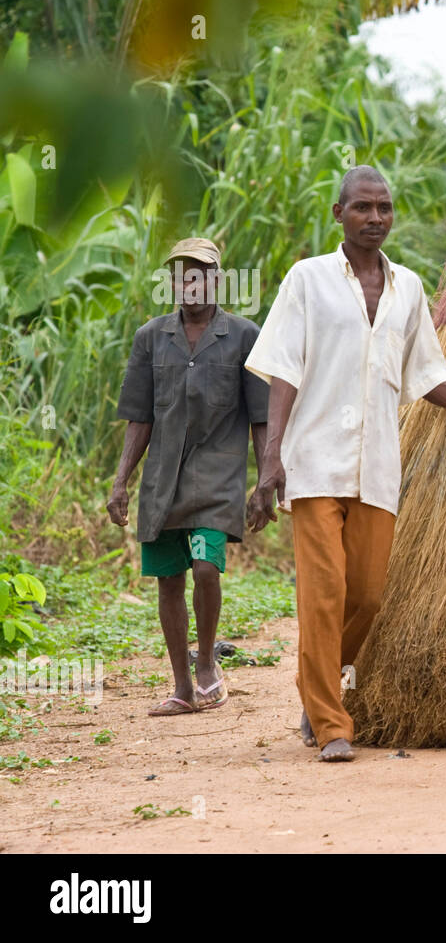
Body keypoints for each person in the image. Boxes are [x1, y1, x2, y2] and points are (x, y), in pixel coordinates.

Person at [244, 165, 446, 763]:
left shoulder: (408, 289)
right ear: (338, 214)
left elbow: (428, 378)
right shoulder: (308, 280)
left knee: (368, 597)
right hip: (316, 462)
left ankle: (316, 683)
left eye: (384, 208)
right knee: (324, 594)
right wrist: (270, 461)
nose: (375, 218)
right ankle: (331, 724)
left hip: (376, 467)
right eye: (362, 208)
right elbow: (283, 370)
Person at [108, 238, 270, 717]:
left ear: (218, 280)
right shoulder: (151, 337)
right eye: (182, 274)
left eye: (200, 273)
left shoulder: (243, 336)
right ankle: (181, 686)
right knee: (167, 578)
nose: (191, 282)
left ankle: (206, 667)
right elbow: (140, 416)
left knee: (205, 567)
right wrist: (121, 481)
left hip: (218, 476)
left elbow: (260, 416)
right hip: (162, 479)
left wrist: (266, 481)